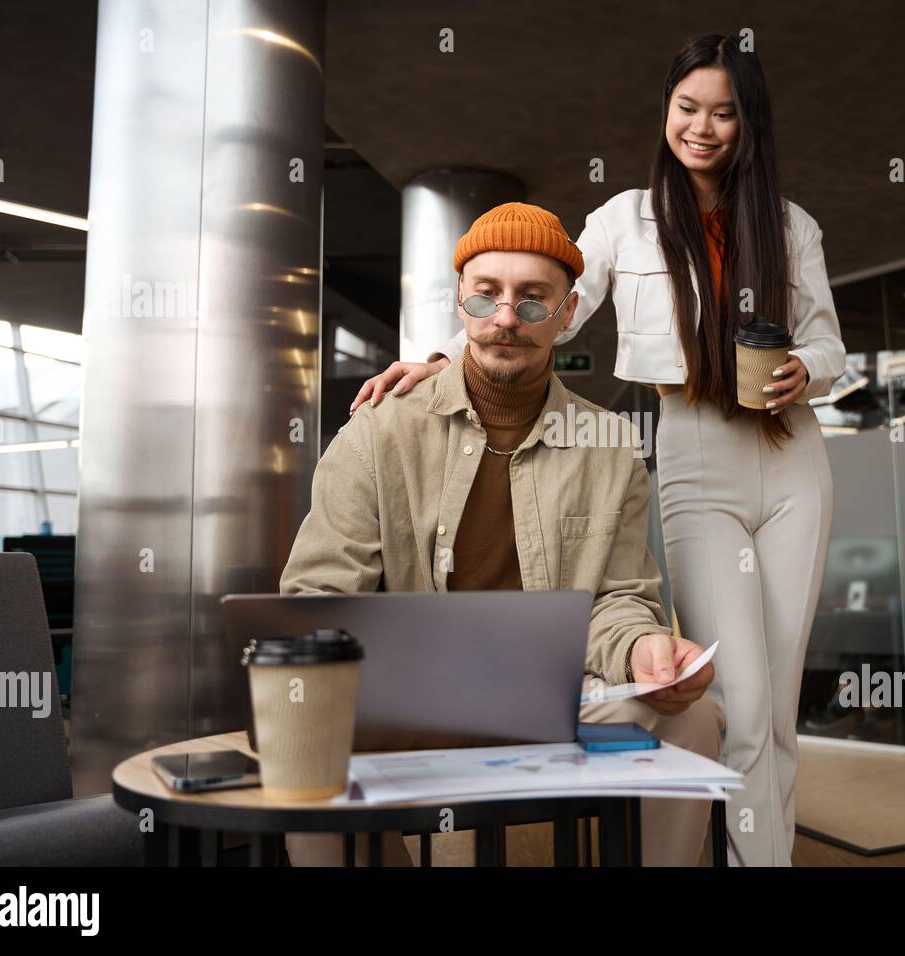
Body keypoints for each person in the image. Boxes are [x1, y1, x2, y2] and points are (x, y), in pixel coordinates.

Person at [350, 34, 845, 866]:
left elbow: (831, 345)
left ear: (749, 124)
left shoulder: (792, 227)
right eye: (687, 108)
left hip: (794, 452)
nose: (702, 127)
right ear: (666, 112)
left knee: (782, 707)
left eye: (724, 113)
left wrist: (809, 368)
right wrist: (441, 358)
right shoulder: (627, 218)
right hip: (694, 447)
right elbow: (550, 309)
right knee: (741, 699)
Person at [280, 201, 723, 866]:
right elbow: (316, 595)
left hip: (558, 697)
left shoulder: (611, 446)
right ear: (461, 303)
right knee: (304, 731)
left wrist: (641, 646)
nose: (507, 319)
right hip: (410, 700)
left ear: (569, 313)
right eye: (486, 298)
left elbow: (621, 596)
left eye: (534, 300)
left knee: (689, 719)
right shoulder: (380, 429)